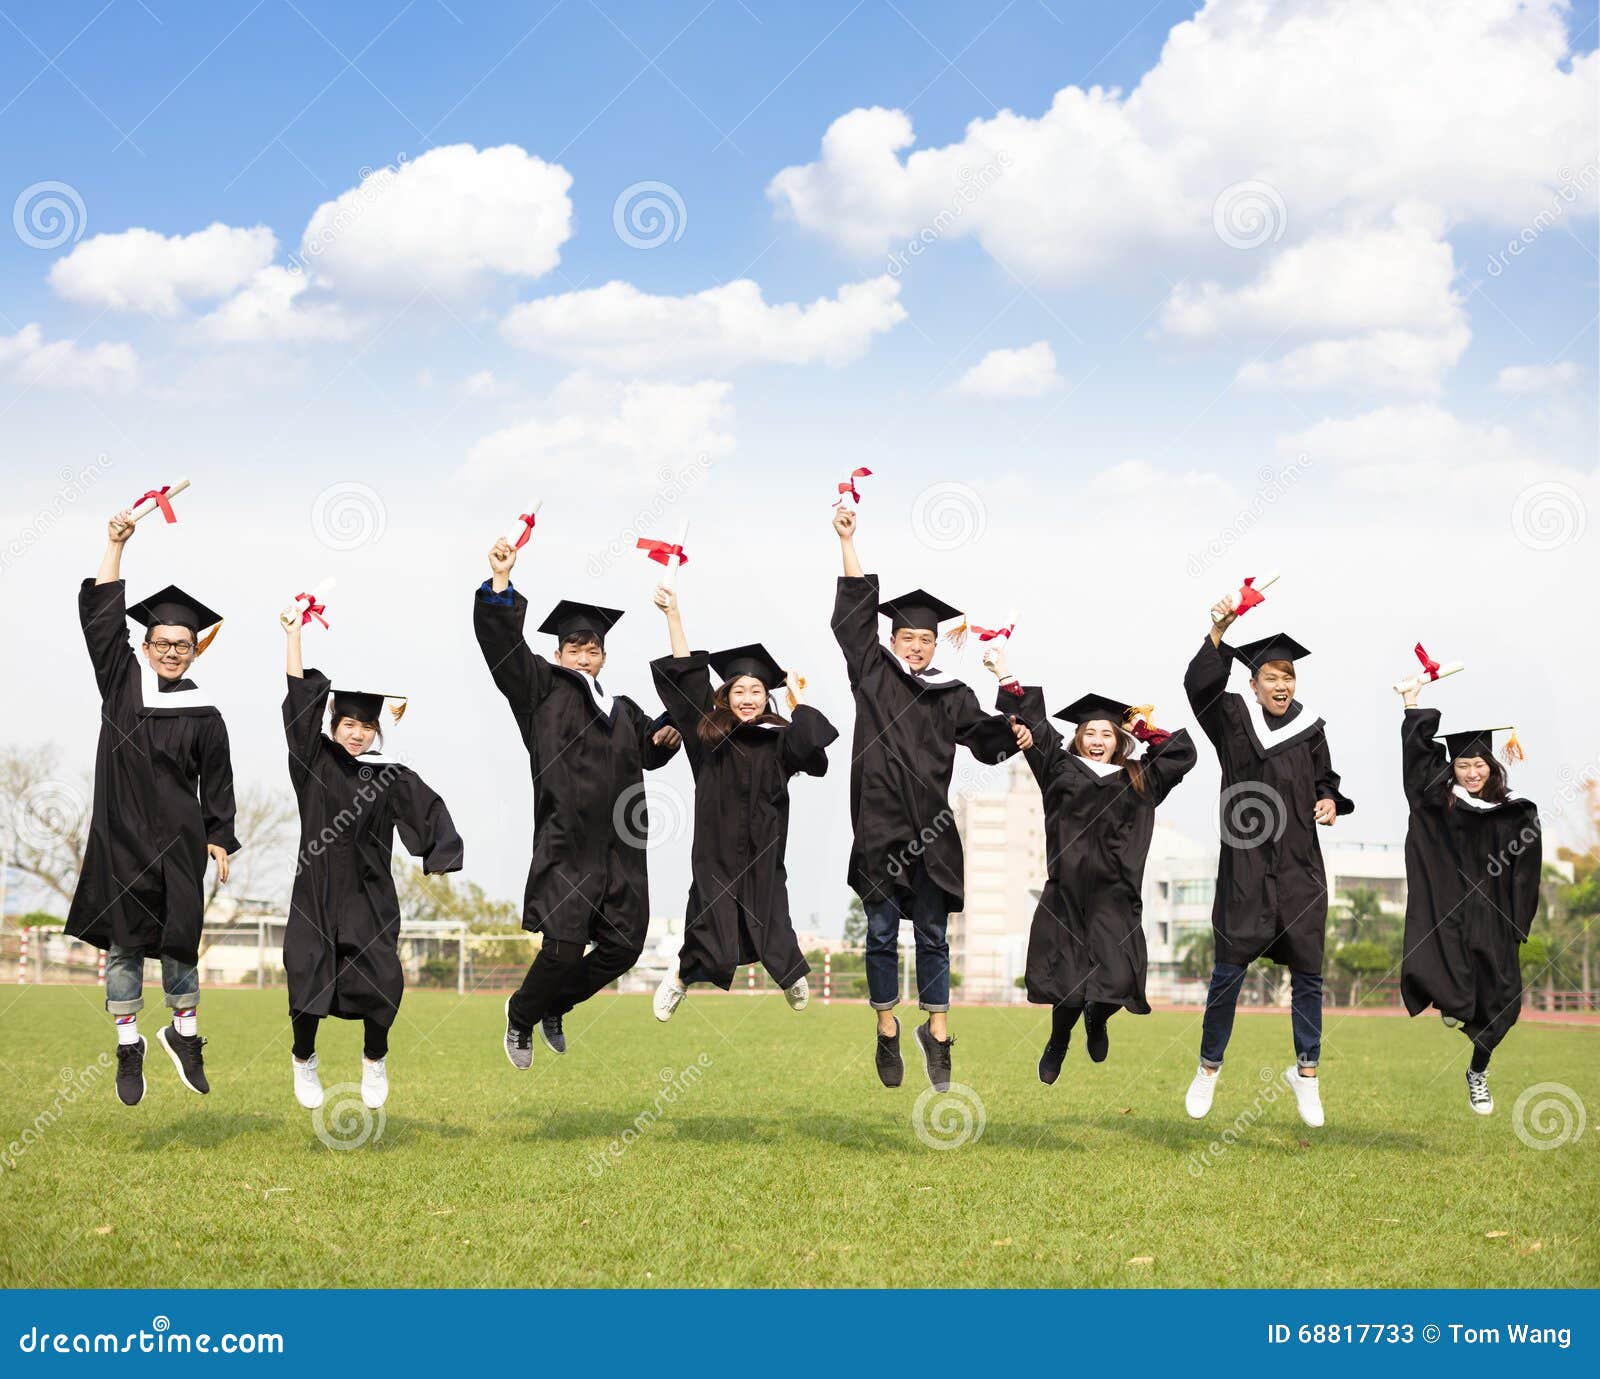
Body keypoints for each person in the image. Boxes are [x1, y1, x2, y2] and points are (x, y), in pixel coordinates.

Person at [830, 505, 1031, 1092]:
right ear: (892, 641)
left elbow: (989, 739)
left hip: (933, 831)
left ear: (935, 643)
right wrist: (848, 540)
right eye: (907, 638)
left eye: (925, 639)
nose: (916, 646)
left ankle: (937, 1034)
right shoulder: (872, 673)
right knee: (879, 932)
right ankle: (888, 1027)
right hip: (878, 828)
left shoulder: (953, 693)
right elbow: (853, 619)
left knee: (934, 935)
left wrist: (1014, 719)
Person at [474, 536, 682, 1068]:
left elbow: (650, 752)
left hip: (622, 849)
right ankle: (521, 1017)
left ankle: (552, 1005)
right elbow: (503, 653)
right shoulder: (540, 689)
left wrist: (666, 737)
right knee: (562, 947)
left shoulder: (624, 708)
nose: (585, 657)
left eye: (593, 650)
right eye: (575, 649)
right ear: (558, 653)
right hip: (567, 843)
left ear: (604, 655)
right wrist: (500, 584)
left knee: (623, 948)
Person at [69, 511, 239, 1107]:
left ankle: (184, 1035)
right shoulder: (121, 683)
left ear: (196, 650)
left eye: (182, 644)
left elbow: (217, 779)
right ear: (146, 645)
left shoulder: (206, 713)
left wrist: (220, 835)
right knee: (123, 945)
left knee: (181, 939)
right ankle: (128, 1043)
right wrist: (114, 545)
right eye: (162, 642)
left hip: (180, 840)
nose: (172, 651)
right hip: (121, 837)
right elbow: (102, 622)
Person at [983, 646, 1196, 1083]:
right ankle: (1059, 1040)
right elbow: (1036, 729)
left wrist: (1145, 725)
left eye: (1108, 733)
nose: (1098, 741)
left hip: (1116, 900)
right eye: (1090, 733)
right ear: (1078, 737)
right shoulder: (1059, 769)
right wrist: (1005, 671)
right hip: (1066, 896)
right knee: (1068, 983)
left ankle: (1098, 1020)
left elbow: (1180, 754)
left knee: (1118, 977)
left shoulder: (1141, 777)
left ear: (1120, 740)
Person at [280, 615, 465, 1111]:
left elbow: (428, 809)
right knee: (307, 975)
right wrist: (294, 636)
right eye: (348, 724)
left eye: (365, 725)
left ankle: (374, 1059)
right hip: (316, 891)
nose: (357, 733)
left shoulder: (390, 776)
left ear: (375, 729)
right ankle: (304, 1059)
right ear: (334, 724)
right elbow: (298, 702)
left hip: (368, 895)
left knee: (382, 980)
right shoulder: (313, 762)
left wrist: (441, 852)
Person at [1182, 600, 1354, 1128]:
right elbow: (1198, 687)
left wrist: (1328, 800)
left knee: (1308, 972)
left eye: (1289, 677)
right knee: (1228, 971)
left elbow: (1326, 777)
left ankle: (1306, 1074)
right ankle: (1209, 1068)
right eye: (1273, 676)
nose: (1282, 685)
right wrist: (1219, 629)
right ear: (1253, 682)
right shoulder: (1232, 719)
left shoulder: (1311, 729)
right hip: (1247, 866)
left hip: (1301, 865)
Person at [648, 583, 838, 1019]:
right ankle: (679, 976)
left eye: (756, 690)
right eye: (739, 691)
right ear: (726, 697)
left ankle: (790, 972)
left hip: (764, 847)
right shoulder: (706, 735)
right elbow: (686, 676)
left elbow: (817, 756)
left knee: (772, 914)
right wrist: (673, 615)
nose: (748, 698)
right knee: (709, 922)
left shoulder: (780, 739)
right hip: (714, 852)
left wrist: (800, 698)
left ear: (766, 696)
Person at [1396, 689, 1541, 1115]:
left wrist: (1518, 923)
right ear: (1452, 768)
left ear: (1492, 766)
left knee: (1505, 1003)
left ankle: (1477, 1071)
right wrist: (1412, 706)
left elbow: (1528, 871)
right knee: (1444, 975)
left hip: (1495, 919)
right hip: (1450, 910)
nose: (1472, 772)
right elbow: (1418, 767)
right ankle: (1450, 1002)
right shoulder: (1442, 804)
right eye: (1463, 764)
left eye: (1479, 764)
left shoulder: (1515, 812)